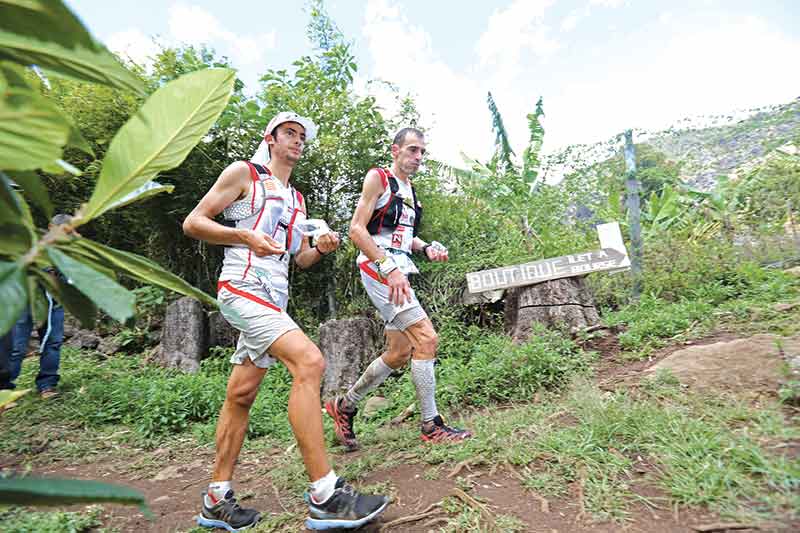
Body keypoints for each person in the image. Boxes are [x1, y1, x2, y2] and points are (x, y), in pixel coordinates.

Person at [183, 112, 389, 532]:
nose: (297, 141)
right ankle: (325, 494)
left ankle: (216, 500)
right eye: (289, 134)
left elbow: (300, 258)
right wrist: (245, 236)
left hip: (273, 299)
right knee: (310, 362)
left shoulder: (296, 200)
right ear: (271, 139)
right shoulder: (245, 174)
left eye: (301, 136)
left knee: (240, 395)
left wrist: (323, 247)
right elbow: (194, 222)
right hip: (241, 288)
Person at [326, 128, 472, 452]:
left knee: (399, 352)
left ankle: (345, 406)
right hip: (379, 268)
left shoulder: (411, 191)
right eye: (412, 150)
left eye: (422, 152)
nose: (418, 157)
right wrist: (387, 268)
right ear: (395, 150)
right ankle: (431, 426)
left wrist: (427, 248)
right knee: (427, 339)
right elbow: (356, 230)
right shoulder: (378, 178)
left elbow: (403, 237)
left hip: (400, 269)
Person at [0, 214, 70, 399]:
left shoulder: (71, 252)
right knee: (16, 346)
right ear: (50, 227)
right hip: (26, 301)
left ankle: (47, 385)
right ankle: (5, 390)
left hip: (54, 303)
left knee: (52, 343)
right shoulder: (32, 243)